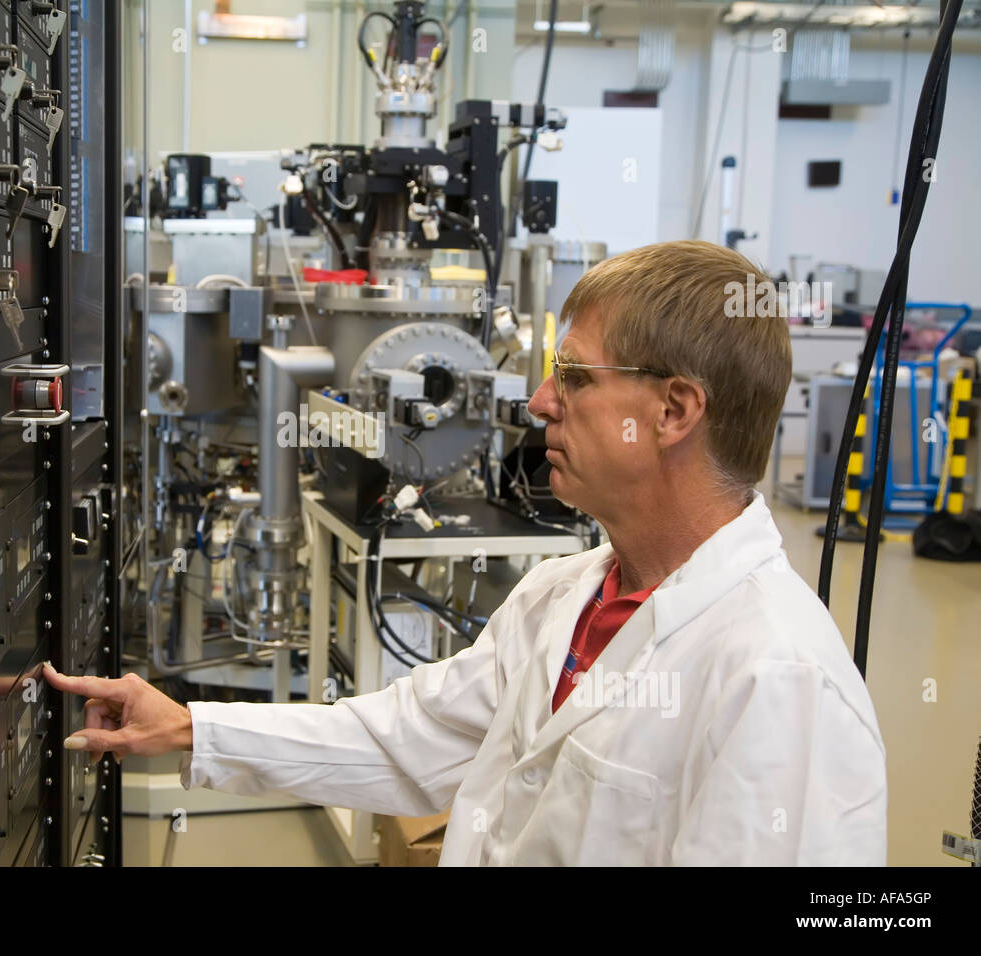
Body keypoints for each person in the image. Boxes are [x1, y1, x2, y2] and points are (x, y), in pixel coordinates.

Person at [44, 239, 888, 865]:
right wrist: (191, 726)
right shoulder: (566, 594)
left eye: (578, 377)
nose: (542, 402)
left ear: (673, 411)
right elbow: (403, 741)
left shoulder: (776, 681)